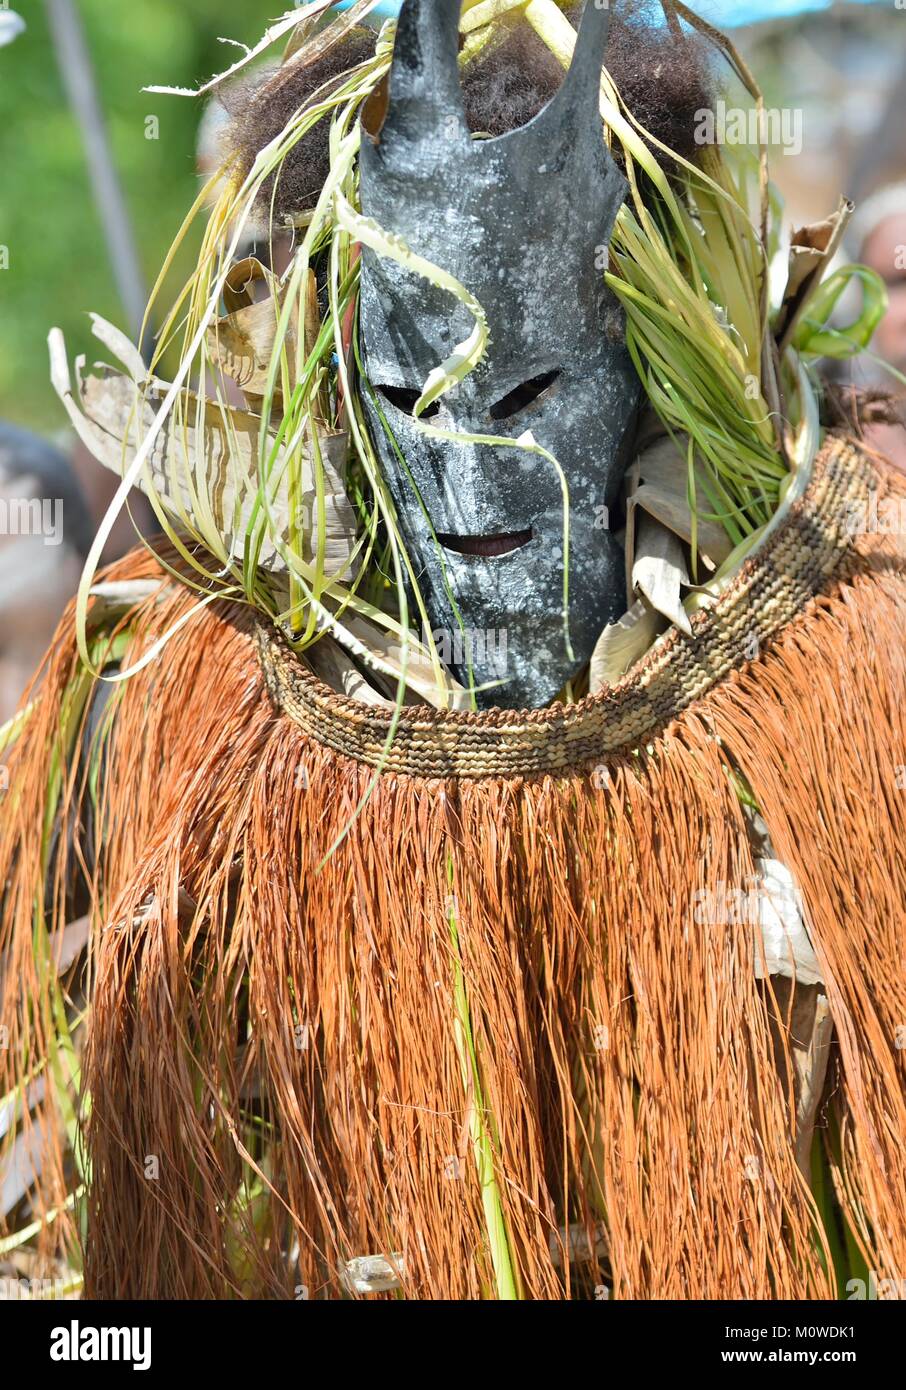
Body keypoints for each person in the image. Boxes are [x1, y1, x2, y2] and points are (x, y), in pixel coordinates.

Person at [1, 0, 905, 1301]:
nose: (476, 489)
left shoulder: (849, 666)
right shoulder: (179, 704)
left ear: (655, 357)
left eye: (531, 397)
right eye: (414, 403)